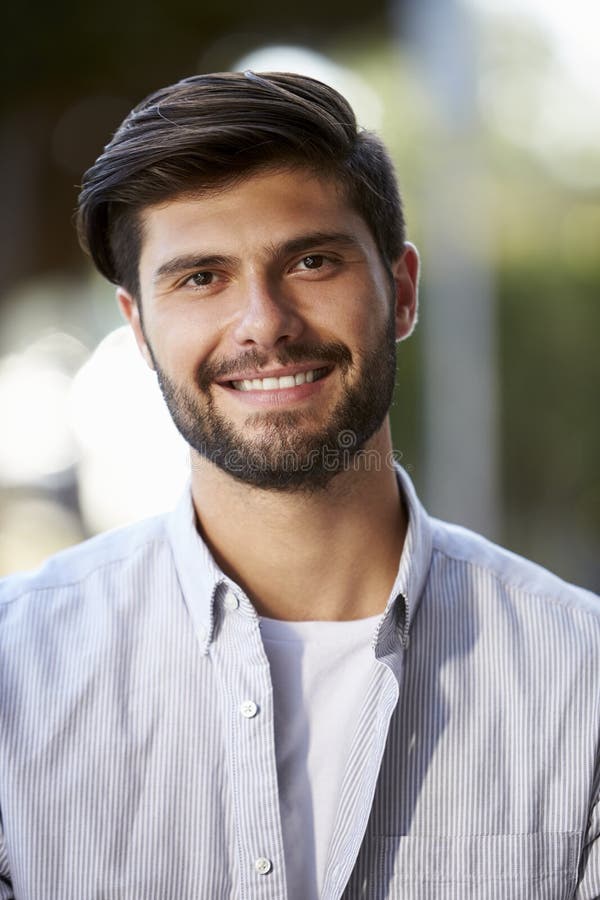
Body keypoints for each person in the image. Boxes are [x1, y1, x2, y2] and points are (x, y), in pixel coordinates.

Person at [0, 71, 598, 900]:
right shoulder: (12, 673)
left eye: (312, 261)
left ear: (403, 291)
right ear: (138, 326)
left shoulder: (583, 680)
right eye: (200, 277)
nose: (265, 322)